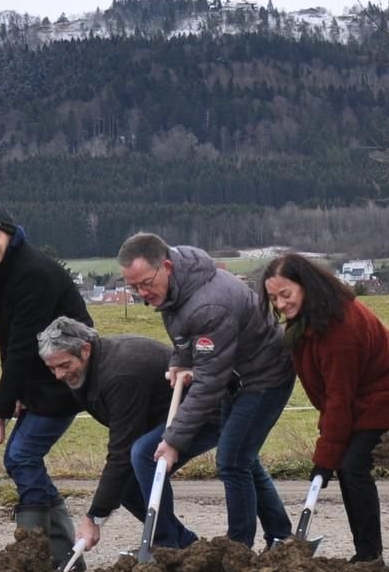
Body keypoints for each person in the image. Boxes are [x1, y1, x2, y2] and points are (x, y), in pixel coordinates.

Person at [118, 232, 294, 549]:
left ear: (167, 266)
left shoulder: (209, 302)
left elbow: (210, 380)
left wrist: (173, 441)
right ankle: (281, 536)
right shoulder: (177, 289)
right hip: (235, 376)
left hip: (264, 377)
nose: (142, 294)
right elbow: (186, 335)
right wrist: (179, 360)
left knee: (232, 461)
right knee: (243, 457)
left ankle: (237, 549)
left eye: (145, 283)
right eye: (133, 288)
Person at [260, 252, 389, 562]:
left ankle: (368, 555)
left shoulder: (339, 329)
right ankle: (366, 552)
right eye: (273, 298)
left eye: (286, 294)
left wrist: (325, 456)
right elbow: (334, 397)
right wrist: (329, 450)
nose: (280, 304)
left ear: (306, 286)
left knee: (352, 466)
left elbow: (339, 397)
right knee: (346, 464)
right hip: (361, 396)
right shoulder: (307, 322)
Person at [0, 202, 92, 566]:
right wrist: (18, 393)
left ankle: (40, 553)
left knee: (21, 456)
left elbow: (23, 347)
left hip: (67, 376)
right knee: (23, 458)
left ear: (10, 234)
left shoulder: (31, 273)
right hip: (38, 380)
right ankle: (64, 554)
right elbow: (8, 339)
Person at [35, 317, 172, 566]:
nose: (58, 375)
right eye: (52, 368)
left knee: (139, 456)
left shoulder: (120, 374)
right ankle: (175, 542)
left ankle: (170, 542)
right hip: (152, 418)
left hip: (196, 413)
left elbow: (122, 450)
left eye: (64, 365)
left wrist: (93, 517)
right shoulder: (85, 370)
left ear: (85, 349)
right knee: (126, 482)